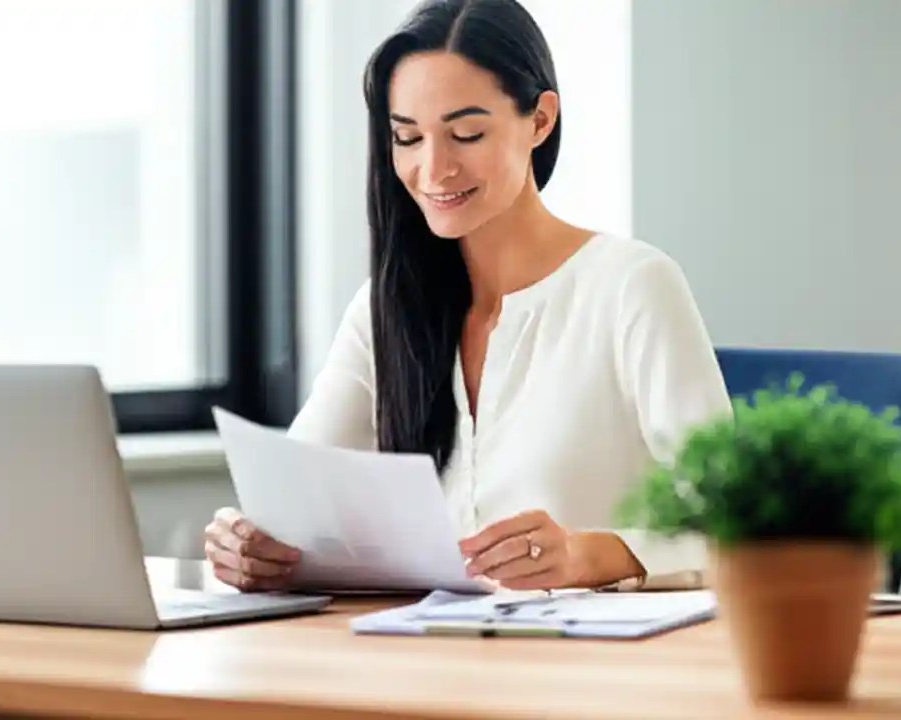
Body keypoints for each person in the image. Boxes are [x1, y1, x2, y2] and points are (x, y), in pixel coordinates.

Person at [205, 0, 732, 593]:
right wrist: (252, 541)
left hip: (592, 669)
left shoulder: (632, 286)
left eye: (466, 133)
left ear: (539, 119)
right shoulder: (386, 306)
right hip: (429, 661)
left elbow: (742, 524)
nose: (434, 169)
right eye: (407, 138)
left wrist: (595, 554)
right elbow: (294, 497)